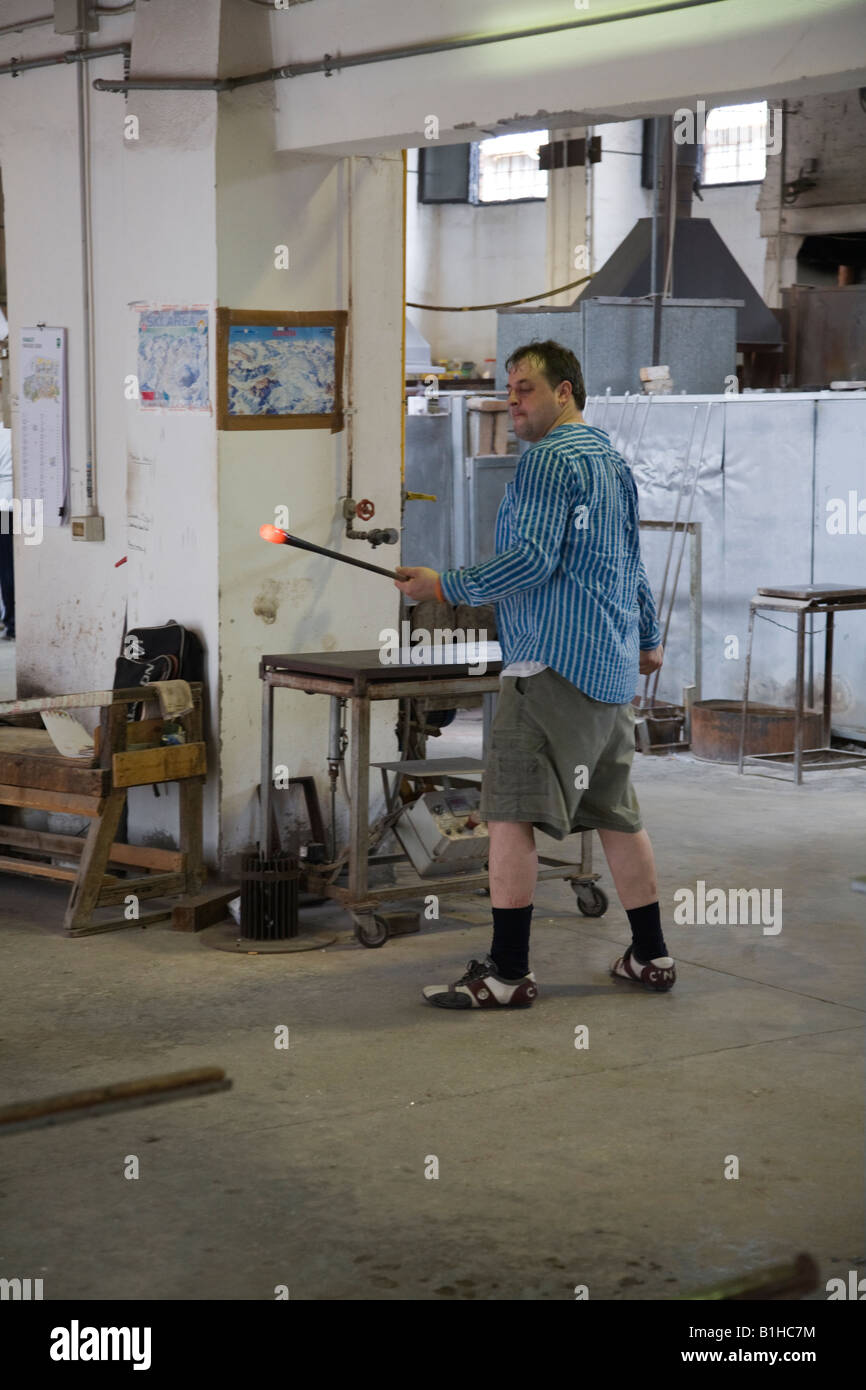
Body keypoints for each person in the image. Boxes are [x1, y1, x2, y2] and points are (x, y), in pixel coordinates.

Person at [394, 339, 675, 1010]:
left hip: (549, 665)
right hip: (607, 671)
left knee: (509, 813)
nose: (511, 400)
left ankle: (508, 972)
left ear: (565, 392)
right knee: (614, 812)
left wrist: (446, 585)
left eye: (524, 389)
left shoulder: (548, 461)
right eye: (509, 388)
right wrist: (646, 634)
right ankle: (650, 954)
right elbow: (631, 558)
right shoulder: (609, 459)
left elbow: (532, 561)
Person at [0, 424, 14, 642]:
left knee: (6, 566)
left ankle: (11, 623)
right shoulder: (13, 433)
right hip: (28, 505)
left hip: (4, 508)